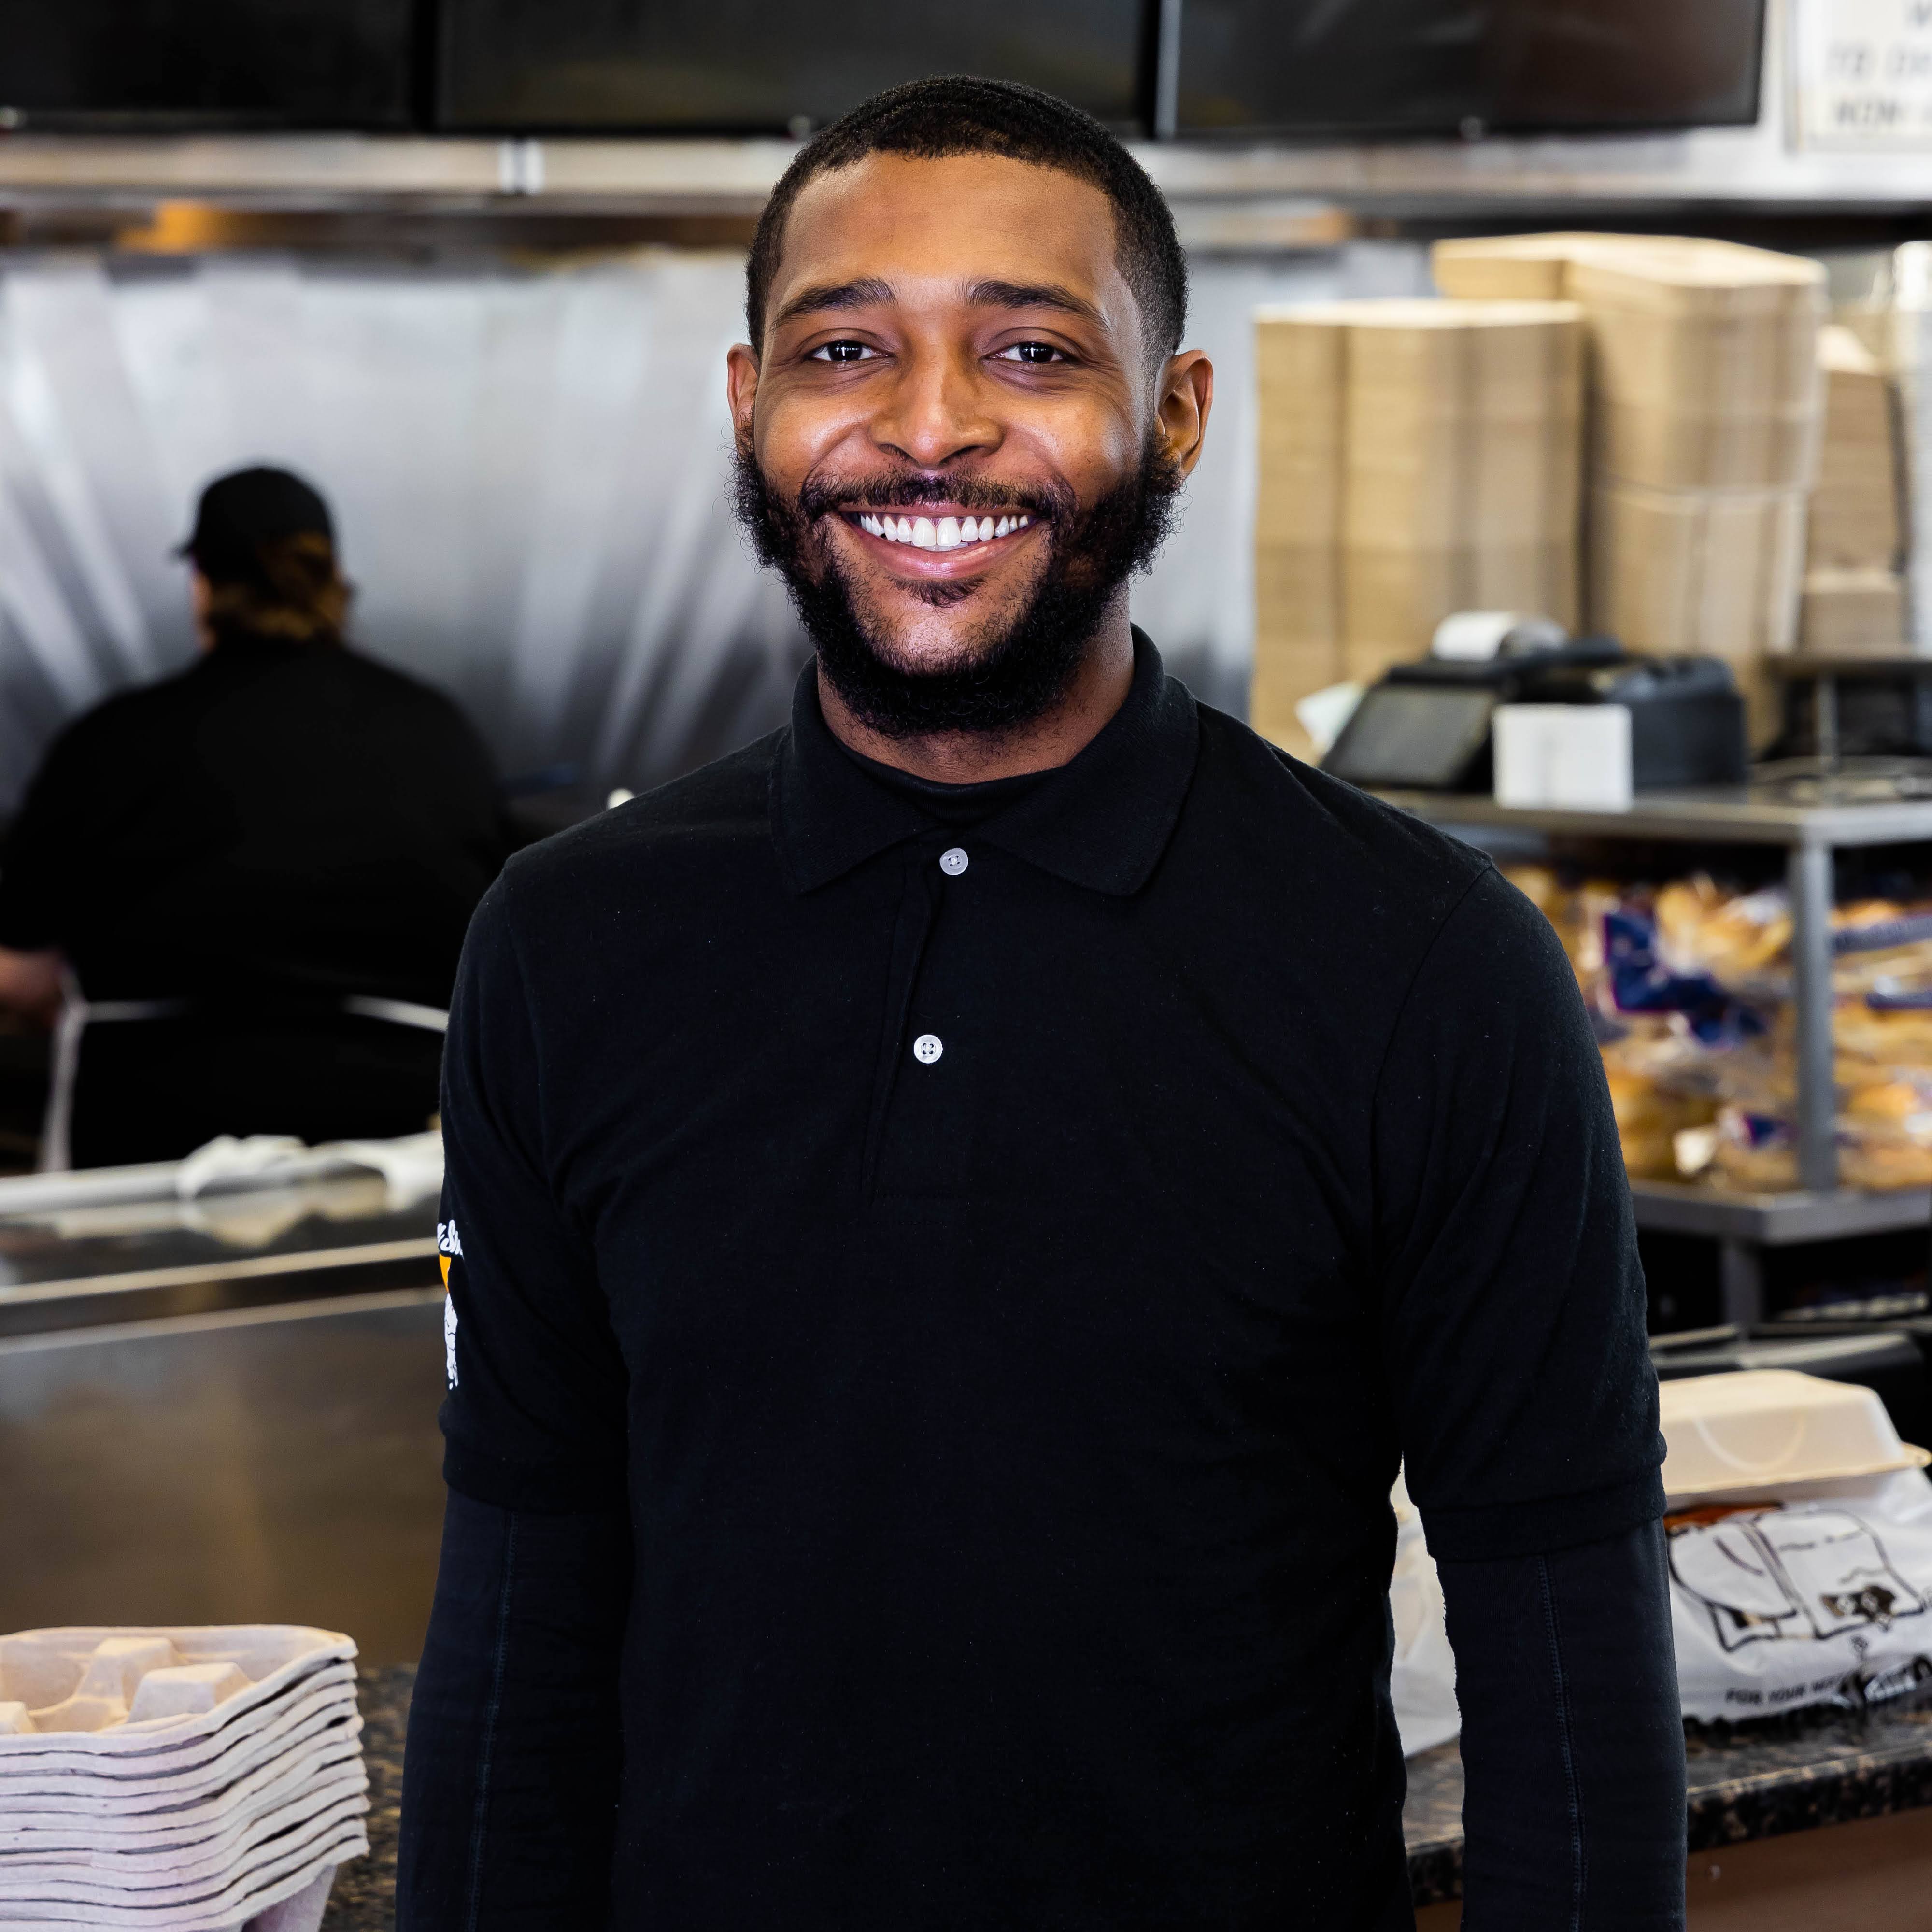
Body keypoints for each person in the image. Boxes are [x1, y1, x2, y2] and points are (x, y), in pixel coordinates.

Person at [399, 78, 1687, 1931]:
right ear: (752, 404)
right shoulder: (566, 943)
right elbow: (521, 1601)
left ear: (1173, 414)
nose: (931, 430)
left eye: (1030, 348)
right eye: (848, 347)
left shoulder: (1423, 958)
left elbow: (1565, 1652)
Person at [0, 466, 505, 1167]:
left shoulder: (113, 741)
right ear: (333, 583)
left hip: (148, 1151)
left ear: (202, 586)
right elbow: (500, 945)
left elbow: (15, 972)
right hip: (401, 1157)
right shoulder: (437, 731)